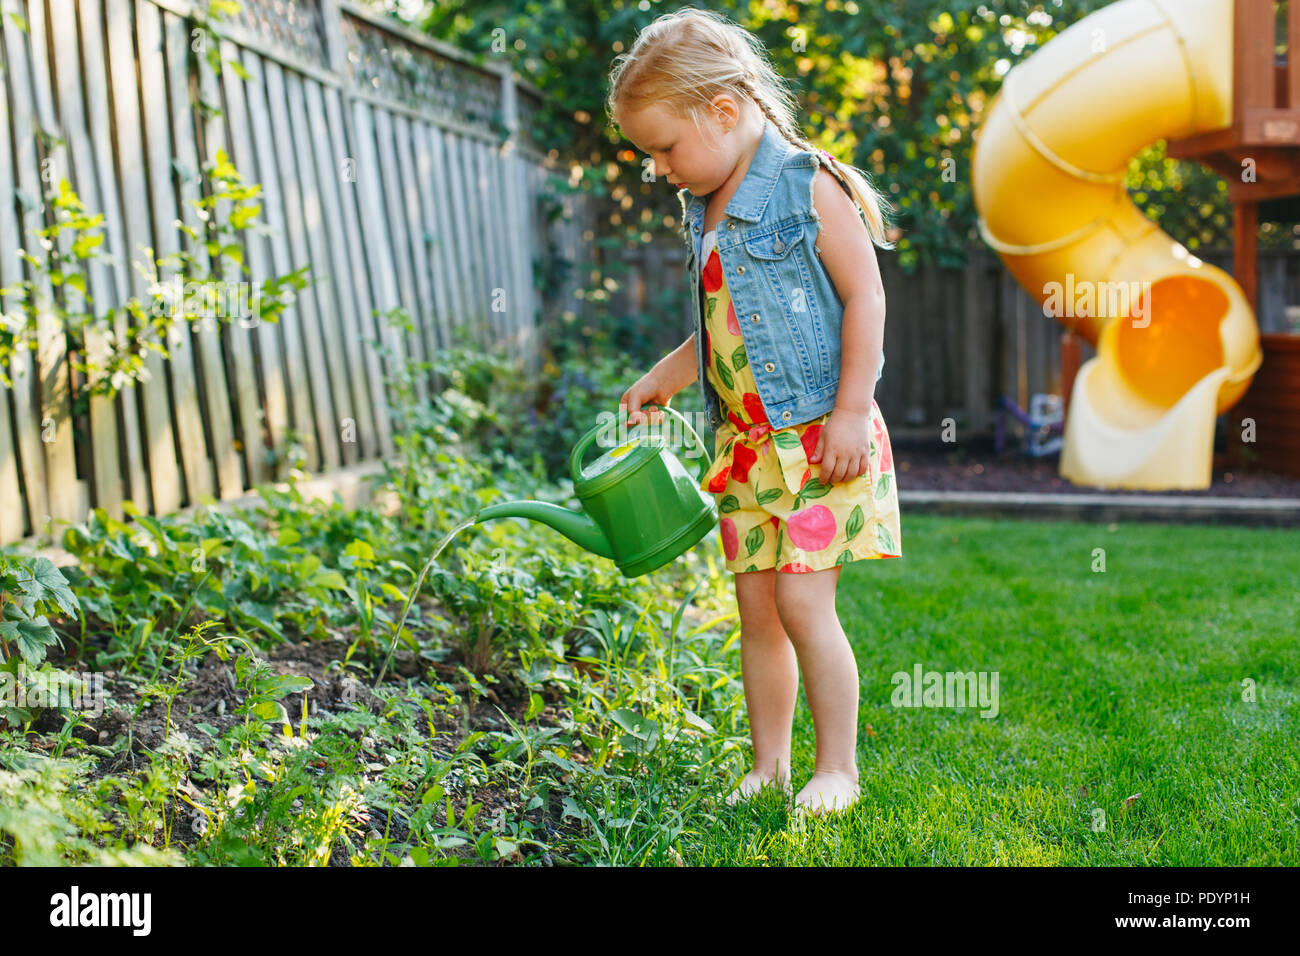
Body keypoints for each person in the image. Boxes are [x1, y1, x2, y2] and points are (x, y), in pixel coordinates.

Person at [607, 7, 903, 817]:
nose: (660, 168)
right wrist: (667, 375)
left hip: (819, 439)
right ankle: (770, 764)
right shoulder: (702, 209)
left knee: (806, 604)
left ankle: (836, 768)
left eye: (665, 148)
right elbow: (725, 320)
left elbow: (864, 297)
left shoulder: (807, 184)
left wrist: (852, 410)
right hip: (745, 448)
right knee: (758, 612)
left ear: (724, 112)